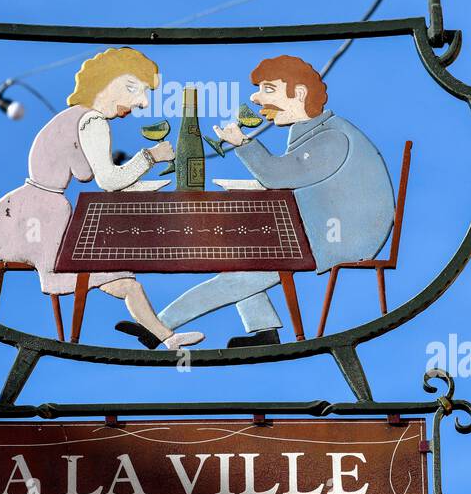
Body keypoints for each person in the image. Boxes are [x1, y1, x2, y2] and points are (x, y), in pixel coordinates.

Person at [148, 54, 395, 347]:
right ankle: (264, 331)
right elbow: (297, 178)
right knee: (242, 258)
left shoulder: (332, 137)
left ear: (299, 93)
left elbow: (280, 177)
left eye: (268, 89)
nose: (256, 98)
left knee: (243, 269)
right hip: (318, 224)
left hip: (340, 235)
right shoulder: (315, 133)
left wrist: (243, 143)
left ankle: (157, 326)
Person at [0, 47, 204, 351]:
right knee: (119, 276)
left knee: (127, 281)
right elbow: (108, 180)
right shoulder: (92, 121)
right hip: (33, 222)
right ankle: (166, 337)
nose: (142, 102)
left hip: (17, 216)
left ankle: (167, 338)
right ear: (112, 82)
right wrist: (150, 157)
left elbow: (89, 174)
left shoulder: (74, 118)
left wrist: (139, 186)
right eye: (136, 90)